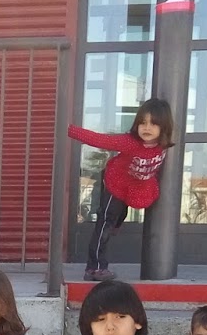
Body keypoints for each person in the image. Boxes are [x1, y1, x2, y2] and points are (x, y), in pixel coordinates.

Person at [68, 99, 175, 282]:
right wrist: (69, 129)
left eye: (153, 123)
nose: (147, 128)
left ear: (163, 127)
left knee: (117, 219)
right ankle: (95, 268)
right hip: (114, 185)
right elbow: (100, 140)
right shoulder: (130, 142)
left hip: (131, 188)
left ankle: (112, 227)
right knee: (105, 224)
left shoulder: (162, 147)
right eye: (142, 122)